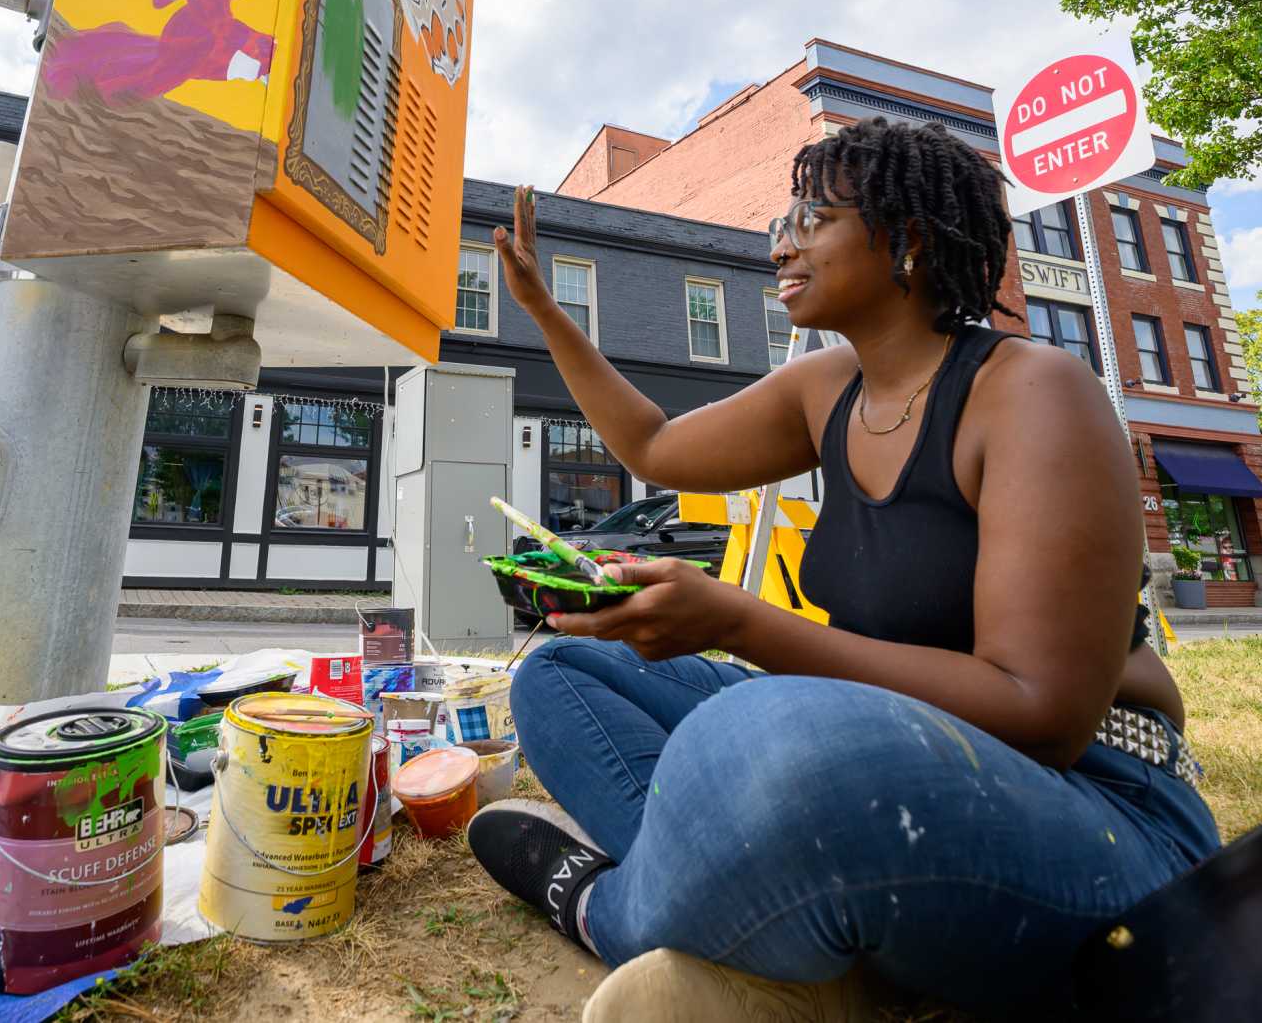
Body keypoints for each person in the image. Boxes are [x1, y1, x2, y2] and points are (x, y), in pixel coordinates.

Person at [465, 118, 1220, 1020]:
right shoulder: (825, 390)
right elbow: (655, 443)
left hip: (1096, 808)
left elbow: (1043, 716)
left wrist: (740, 623)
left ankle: (608, 906)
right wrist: (547, 310)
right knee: (564, 671)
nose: (780, 240)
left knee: (775, 744)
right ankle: (819, 943)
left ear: (907, 241)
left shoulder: (1033, 391)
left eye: (813, 217)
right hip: (885, 761)